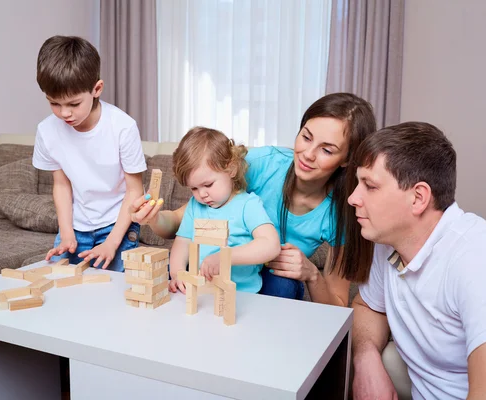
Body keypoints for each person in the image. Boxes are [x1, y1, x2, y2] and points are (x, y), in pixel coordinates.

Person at [131, 93, 377, 305]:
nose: (307, 154)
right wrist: (153, 218)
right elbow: (179, 223)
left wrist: (312, 274)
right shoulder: (261, 164)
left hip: (263, 278)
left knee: (283, 284)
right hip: (211, 270)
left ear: (347, 159)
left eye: (326, 150)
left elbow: (336, 303)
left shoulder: (342, 211)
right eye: (306, 137)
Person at [349, 122, 486, 400]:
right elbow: (368, 305)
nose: (353, 198)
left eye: (370, 186)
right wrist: (365, 359)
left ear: (418, 198)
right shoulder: (388, 242)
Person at [32, 35, 147, 271]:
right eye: (54, 103)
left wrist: (112, 244)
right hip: (77, 225)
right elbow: (61, 186)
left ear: (96, 89)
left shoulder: (122, 127)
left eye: (74, 104)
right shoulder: (47, 131)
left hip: (118, 226)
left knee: (114, 291)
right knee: (60, 284)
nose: (64, 113)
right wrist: (66, 234)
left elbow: (135, 191)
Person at [168, 127, 281, 293]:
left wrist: (225, 257)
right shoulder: (195, 205)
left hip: (243, 294)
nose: (202, 194)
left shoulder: (248, 205)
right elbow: (182, 242)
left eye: (208, 185)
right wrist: (177, 273)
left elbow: (271, 245)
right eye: (194, 188)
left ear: (231, 169)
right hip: (202, 293)